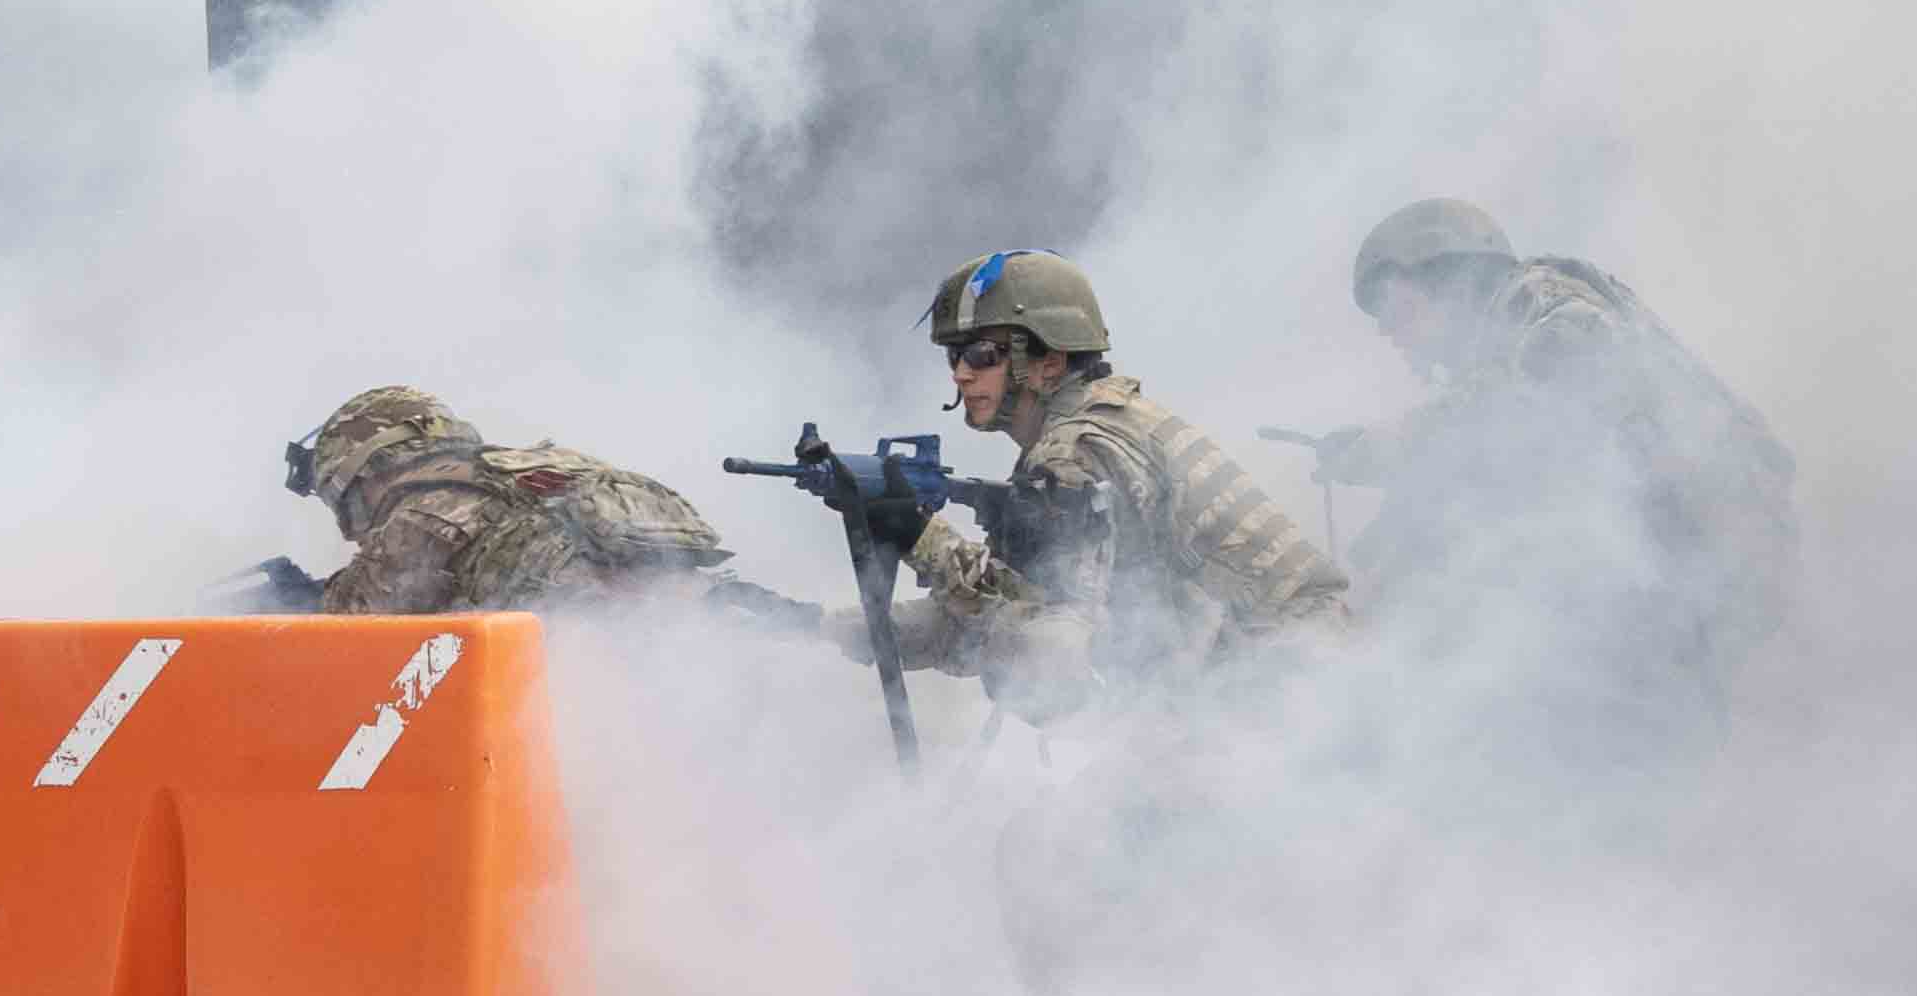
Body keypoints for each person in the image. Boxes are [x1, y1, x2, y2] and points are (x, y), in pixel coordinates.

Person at [1319, 198, 1795, 743]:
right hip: (1657, 598)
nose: (1388, 333)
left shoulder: (1544, 300)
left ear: (1446, 276)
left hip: (1673, 591)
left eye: (1392, 307)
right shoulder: (1500, 350)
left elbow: (1545, 386)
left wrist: (1391, 447)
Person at [853, 249, 1347, 723]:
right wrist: (820, 628)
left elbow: (1047, 642)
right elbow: (976, 627)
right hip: (1280, 680)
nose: (962, 374)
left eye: (985, 354)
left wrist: (920, 538)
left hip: (1279, 690)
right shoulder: (1098, 423)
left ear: (1052, 361)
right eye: (955, 356)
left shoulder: (1076, 450)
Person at [283, 386, 743, 613]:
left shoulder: (424, 513)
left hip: (628, 642)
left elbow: (354, 621)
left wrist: (296, 599)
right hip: (714, 605)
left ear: (363, 474)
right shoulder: (536, 468)